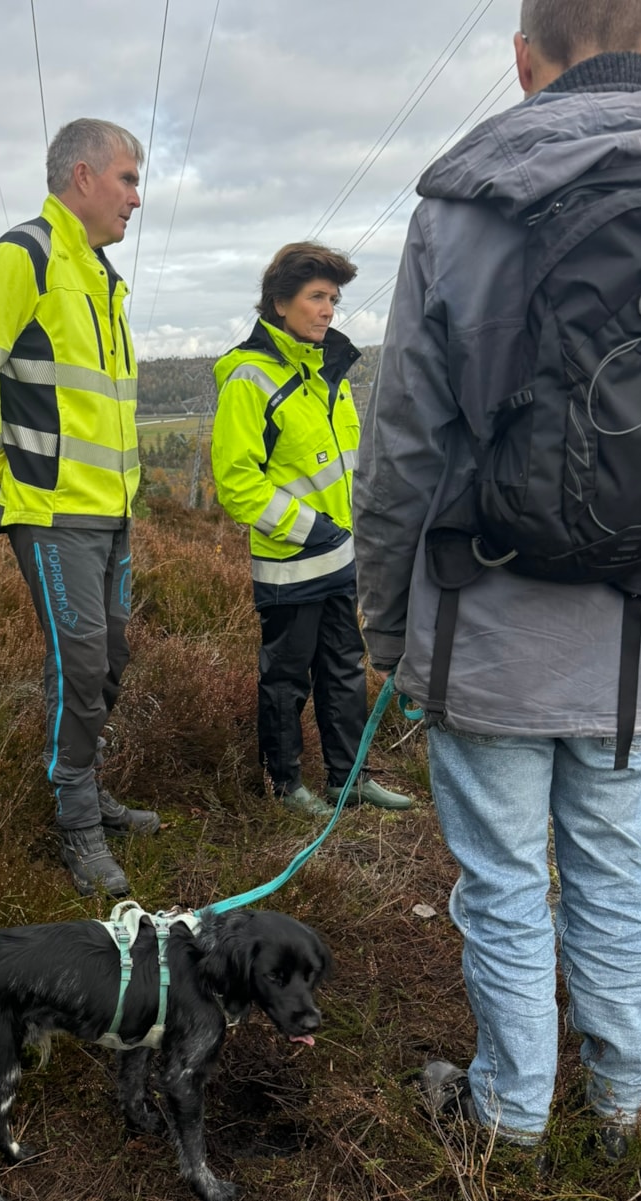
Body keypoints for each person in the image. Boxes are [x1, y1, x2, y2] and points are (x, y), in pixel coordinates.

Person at [354, 0, 641, 1160]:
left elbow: (401, 448)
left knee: (501, 879)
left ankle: (512, 1116)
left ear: (523, 59)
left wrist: (389, 629)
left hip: (481, 620)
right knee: (614, 863)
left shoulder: (461, 205)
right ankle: (629, 1107)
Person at [0, 117, 159, 899]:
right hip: (51, 510)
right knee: (81, 661)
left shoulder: (99, 274)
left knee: (112, 661)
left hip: (111, 511)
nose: (138, 197)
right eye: (129, 178)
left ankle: (86, 786)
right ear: (83, 177)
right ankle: (76, 822)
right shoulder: (24, 255)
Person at [211, 243, 412, 819]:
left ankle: (350, 780)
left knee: (346, 671)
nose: (328, 310)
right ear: (280, 303)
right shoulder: (250, 378)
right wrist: (312, 530)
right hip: (290, 564)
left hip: (343, 562)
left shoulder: (331, 375)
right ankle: (286, 784)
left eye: (333, 299)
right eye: (316, 297)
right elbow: (237, 482)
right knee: (286, 679)